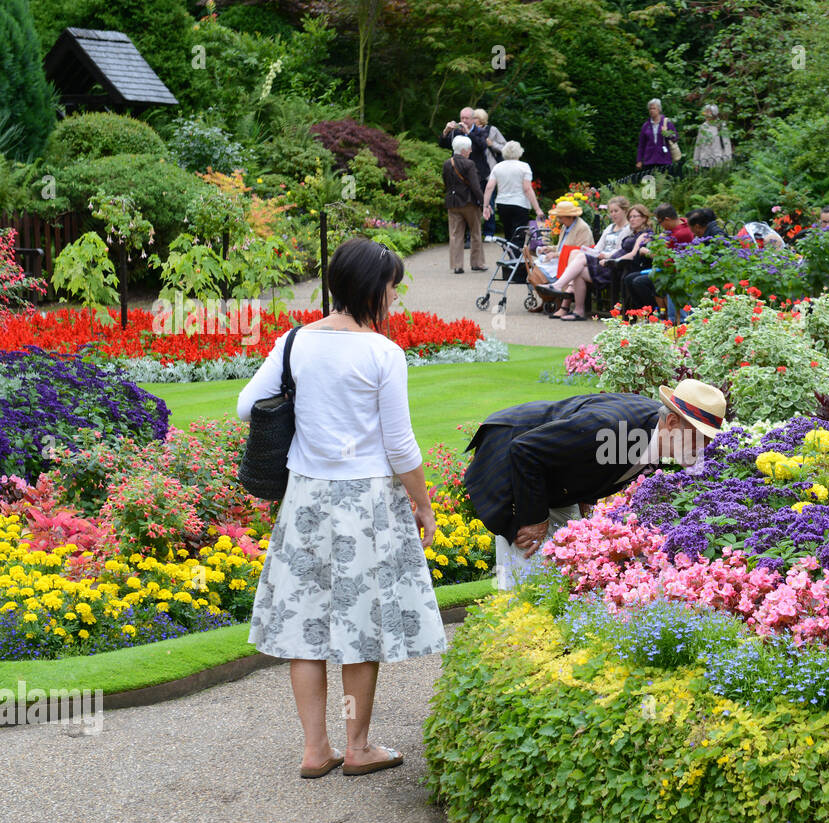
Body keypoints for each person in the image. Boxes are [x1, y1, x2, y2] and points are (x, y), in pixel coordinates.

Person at [237, 238, 444, 779]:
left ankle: (314, 750)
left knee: (305, 626)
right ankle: (357, 747)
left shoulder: (294, 342)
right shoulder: (382, 353)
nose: (395, 297)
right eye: (393, 286)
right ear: (374, 288)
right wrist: (423, 506)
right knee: (360, 626)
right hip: (367, 503)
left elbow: (246, 406)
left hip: (306, 495)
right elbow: (400, 446)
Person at [463, 379, 727, 589]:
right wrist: (535, 519)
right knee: (527, 576)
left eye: (708, 439)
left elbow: (590, 463)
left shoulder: (655, 434)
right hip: (510, 458)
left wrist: (586, 500)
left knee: (566, 567)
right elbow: (525, 450)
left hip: (548, 476)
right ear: (671, 422)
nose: (704, 448)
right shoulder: (611, 428)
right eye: (699, 437)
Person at [541, 196, 634, 321]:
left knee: (577, 255)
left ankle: (560, 287)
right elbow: (598, 247)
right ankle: (578, 311)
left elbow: (620, 251)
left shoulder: (628, 229)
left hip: (612, 266)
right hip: (599, 263)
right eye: (611, 211)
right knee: (578, 265)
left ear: (624, 211)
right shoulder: (609, 228)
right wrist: (590, 252)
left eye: (616, 211)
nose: (613, 214)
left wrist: (605, 256)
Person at [482, 140, 545, 246]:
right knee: (519, 234)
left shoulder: (498, 166)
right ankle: (516, 260)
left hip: (502, 204)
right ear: (519, 152)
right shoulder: (524, 166)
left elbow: (489, 187)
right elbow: (527, 189)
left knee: (508, 234)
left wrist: (485, 206)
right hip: (520, 204)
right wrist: (537, 209)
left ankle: (511, 258)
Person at [443, 134, 485, 273]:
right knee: (476, 233)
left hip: (453, 203)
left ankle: (457, 266)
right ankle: (477, 263)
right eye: (469, 149)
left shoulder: (447, 163)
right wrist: (484, 202)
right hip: (469, 203)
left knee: (455, 235)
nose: (471, 151)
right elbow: (475, 186)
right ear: (463, 150)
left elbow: (446, 184)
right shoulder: (469, 164)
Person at [532, 200, 594, 283]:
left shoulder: (582, 228)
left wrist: (555, 254)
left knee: (538, 271)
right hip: (559, 262)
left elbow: (581, 253)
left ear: (570, 216)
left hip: (569, 265)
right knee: (533, 266)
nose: (558, 220)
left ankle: (553, 291)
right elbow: (561, 247)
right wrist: (549, 248)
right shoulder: (565, 226)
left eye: (560, 217)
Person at [438, 106, 491, 186]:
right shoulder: (456, 131)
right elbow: (443, 145)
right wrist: (446, 131)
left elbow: (483, 146)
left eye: (467, 118)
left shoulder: (481, 131)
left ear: (473, 119)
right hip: (459, 173)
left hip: (478, 174)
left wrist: (469, 133)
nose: (464, 121)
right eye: (462, 118)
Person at [636, 99, 679, 174]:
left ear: (659, 109)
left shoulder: (667, 123)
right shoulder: (646, 126)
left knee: (664, 183)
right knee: (650, 184)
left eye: (654, 108)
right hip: (649, 161)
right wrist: (639, 160)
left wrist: (667, 133)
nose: (651, 110)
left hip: (664, 160)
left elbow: (675, 138)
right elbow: (641, 145)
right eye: (650, 109)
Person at [693, 104, 732, 168]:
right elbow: (698, 145)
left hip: (718, 162)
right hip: (704, 162)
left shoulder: (721, 126)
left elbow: (727, 146)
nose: (706, 115)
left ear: (714, 114)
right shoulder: (703, 127)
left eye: (708, 112)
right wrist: (696, 162)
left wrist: (728, 163)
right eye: (706, 112)